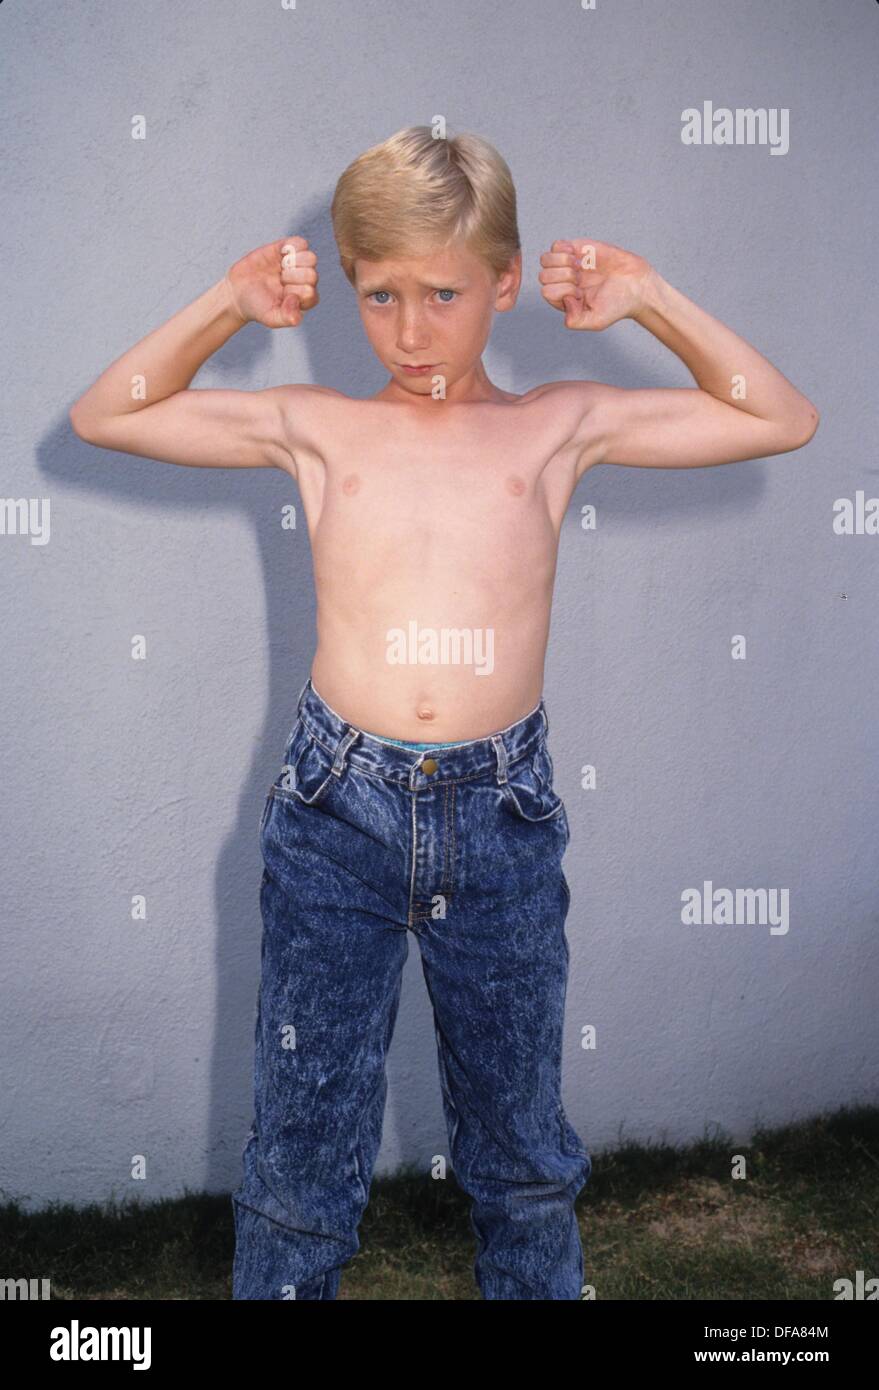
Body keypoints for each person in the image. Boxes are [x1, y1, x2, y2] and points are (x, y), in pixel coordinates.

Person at [69, 125, 819, 1300]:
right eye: (379, 295)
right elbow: (110, 412)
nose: (411, 332)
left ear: (506, 282)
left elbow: (778, 416)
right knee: (301, 1157)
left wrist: (650, 297)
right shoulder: (322, 428)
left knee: (520, 1155)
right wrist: (229, 299)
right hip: (334, 813)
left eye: (444, 294)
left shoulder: (557, 426)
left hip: (502, 819)